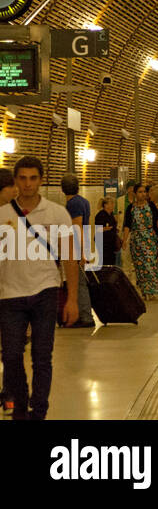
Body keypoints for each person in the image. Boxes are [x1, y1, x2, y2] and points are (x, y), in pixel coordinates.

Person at [0, 157, 81, 420]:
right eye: (22, 178)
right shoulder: (3, 215)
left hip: (46, 291)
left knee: (41, 355)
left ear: (41, 180)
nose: (27, 184)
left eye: (33, 178)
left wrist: (72, 300)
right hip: (9, 294)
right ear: (16, 181)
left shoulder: (57, 214)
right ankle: (20, 406)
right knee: (11, 357)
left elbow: (69, 257)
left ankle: (39, 411)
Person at [122, 184, 158, 301]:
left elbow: (157, 221)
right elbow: (127, 225)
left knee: (153, 263)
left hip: (150, 238)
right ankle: (146, 291)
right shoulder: (131, 208)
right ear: (136, 194)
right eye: (140, 192)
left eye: (144, 192)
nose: (143, 194)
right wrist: (125, 240)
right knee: (141, 267)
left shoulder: (150, 205)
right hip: (136, 240)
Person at [59, 175, 95, 327]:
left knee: (79, 282)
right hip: (82, 243)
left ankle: (85, 316)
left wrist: (80, 253)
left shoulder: (73, 204)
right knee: (80, 281)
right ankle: (83, 314)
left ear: (62, 189)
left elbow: (77, 227)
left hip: (75, 246)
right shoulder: (84, 201)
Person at [94, 197, 120, 268]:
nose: (113, 205)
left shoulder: (111, 215)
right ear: (105, 205)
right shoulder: (101, 215)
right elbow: (98, 229)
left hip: (111, 243)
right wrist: (105, 229)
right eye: (111, 203)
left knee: (111, 263)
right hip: (103, 244)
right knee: (104, 263)